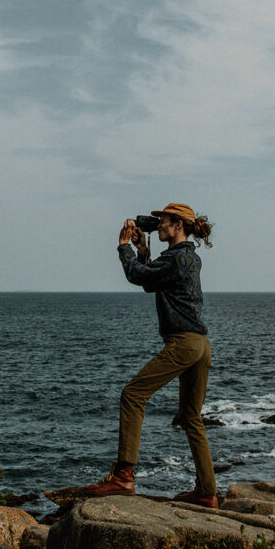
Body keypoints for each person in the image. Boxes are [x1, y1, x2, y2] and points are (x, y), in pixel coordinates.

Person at [83, 203, 218, 508]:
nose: (159, 226)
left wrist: (123, 248)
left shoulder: (177, 258)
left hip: (182, 343)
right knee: (191, 417)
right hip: (200, 345)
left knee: (132, 395)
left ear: (179, 225)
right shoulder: (188, 257)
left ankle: (124, 476)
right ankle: (207, 492)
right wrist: (143, 250)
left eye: (164, 222)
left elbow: (136, 275)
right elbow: (150, 280)